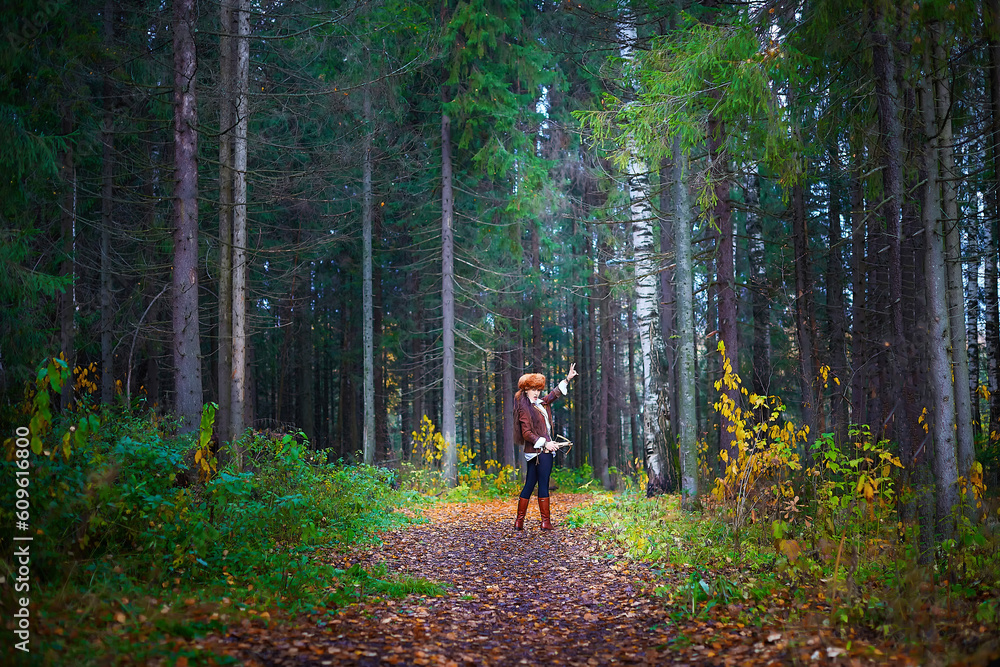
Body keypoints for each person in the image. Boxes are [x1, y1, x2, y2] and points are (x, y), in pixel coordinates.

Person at [513, 363, 578, 530]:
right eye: (533, 389)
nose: (537, 393)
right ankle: (545, 522)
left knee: (530, 484)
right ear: (526, 389)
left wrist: (567, 379)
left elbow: (552, 395)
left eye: (538, 389)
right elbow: (526, 433)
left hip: (538, 452)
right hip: (541, 452)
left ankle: (519, 522)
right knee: (542, 484)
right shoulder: (524, 407)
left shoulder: (539, 403)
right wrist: (546, 443)